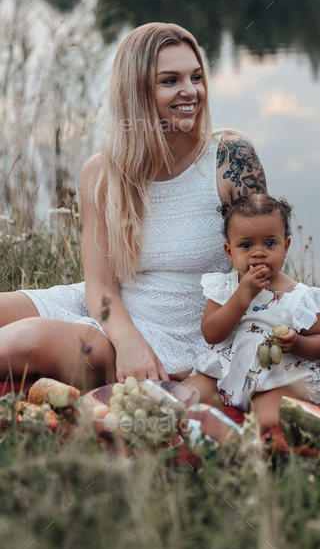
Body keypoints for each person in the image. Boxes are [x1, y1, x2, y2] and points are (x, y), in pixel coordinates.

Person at [0, 22, 268, 389]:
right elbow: (102, 285)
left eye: (196, 76)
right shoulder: (101, 173)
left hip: (183, 334)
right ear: (137, 91)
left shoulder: (230, 158)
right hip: (115, 313)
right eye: (170, 81)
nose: (190, 91)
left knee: (23, 341)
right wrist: (126, 338)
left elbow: (265, 262)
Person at [184, 194, 320, 434]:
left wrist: (298, 343)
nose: (259, 253)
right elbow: (211, 333)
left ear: (286, 247)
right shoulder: (224, 288)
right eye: (246, 245)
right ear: (229, 252)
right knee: (182, 397)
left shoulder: (298, 296)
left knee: (268, 420)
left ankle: (250, 447)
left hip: (278, 377)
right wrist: (242, 296)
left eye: (270, 244)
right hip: (226, 370)